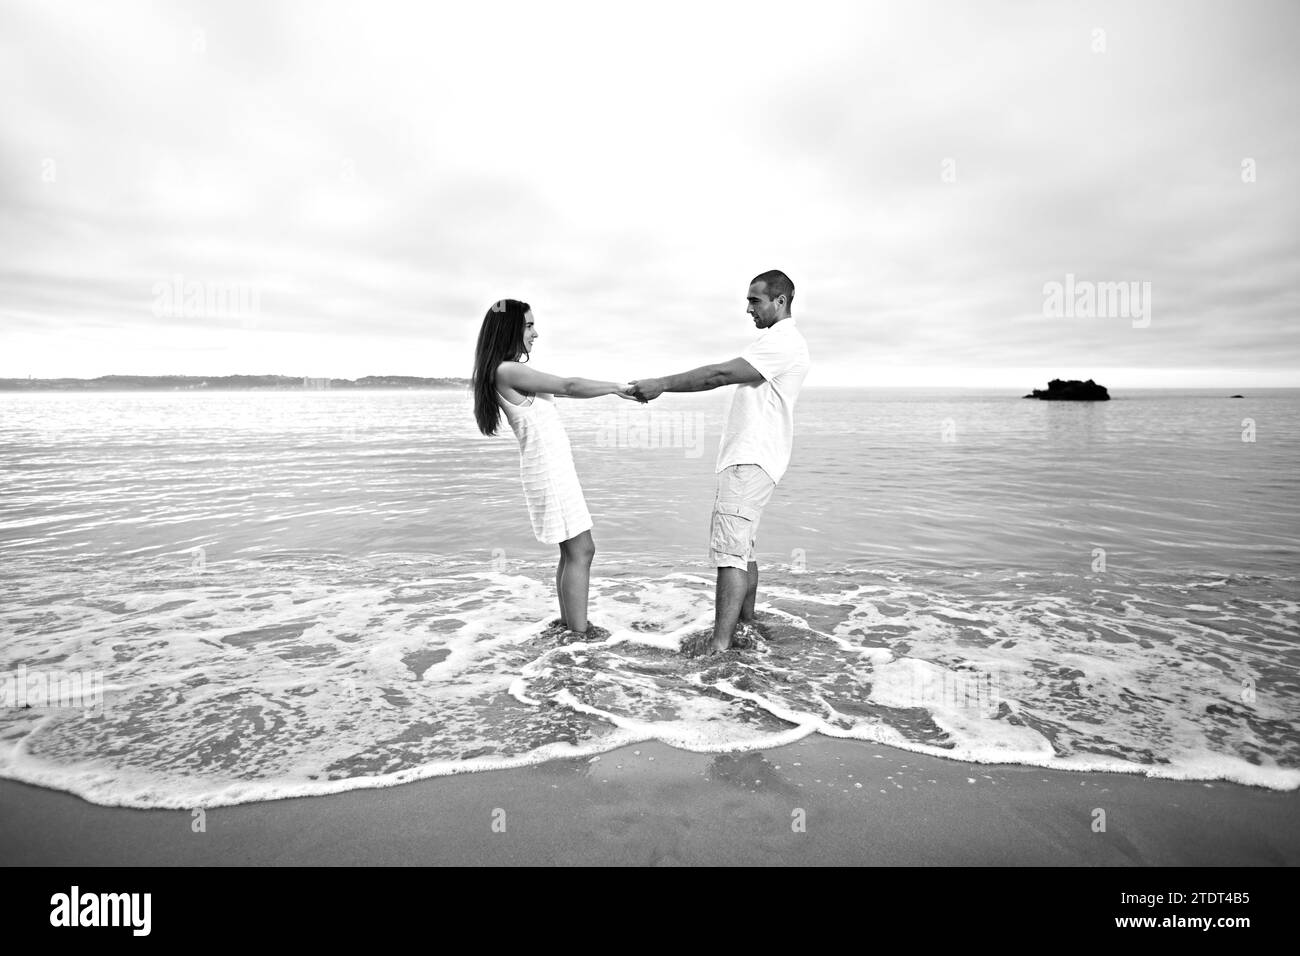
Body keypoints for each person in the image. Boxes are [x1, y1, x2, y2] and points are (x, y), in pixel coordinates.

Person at [629, 270, 810, 653]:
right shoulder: (777, 343)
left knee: (730, 553)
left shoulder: (782, 342)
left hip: (751, 460)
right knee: (744, 550)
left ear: (781, 301)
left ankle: (720, 648)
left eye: (754, 300)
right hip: (756, 460)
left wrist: (661, 384)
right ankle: (745, 627)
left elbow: (718, 375)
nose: (748, 309)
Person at [472, 299, 634, 636]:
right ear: (509, 329)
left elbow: (565, 391)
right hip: (548, 471)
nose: (535, 333)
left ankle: (568, 626)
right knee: (582, 549)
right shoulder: (507, 370)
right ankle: (579, 635)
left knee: (573, 551)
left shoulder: (507, 371)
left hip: (551, 469)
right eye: (529, 326)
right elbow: (569, 386)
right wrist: (618, 387)